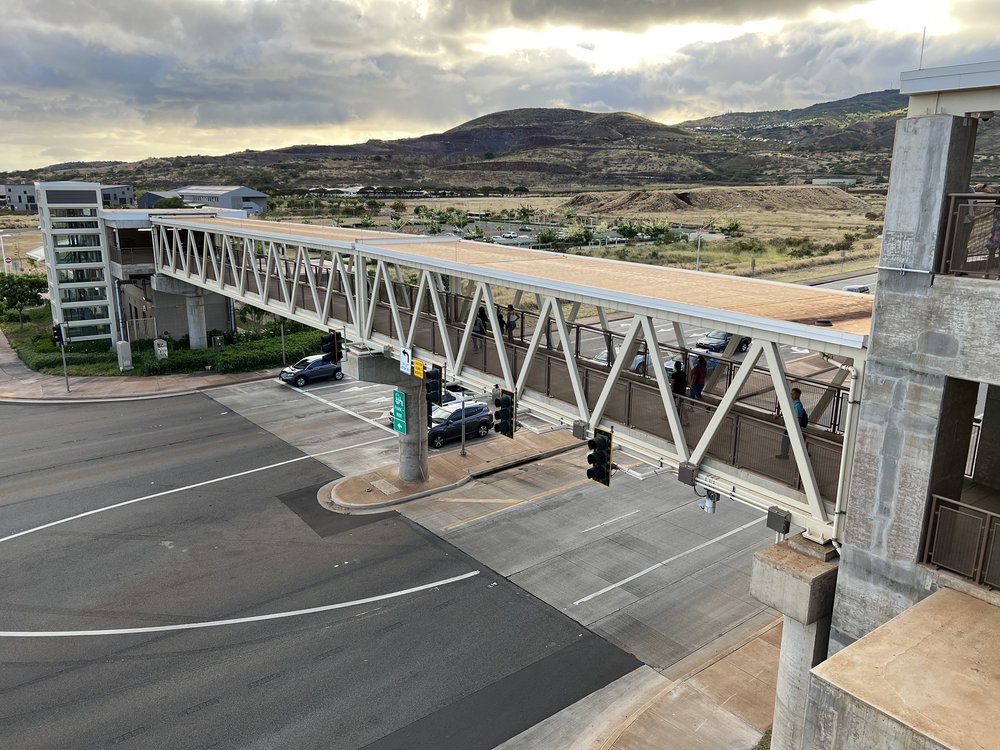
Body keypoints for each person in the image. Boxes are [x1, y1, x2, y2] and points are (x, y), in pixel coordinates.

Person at [776, 387, 808, 459]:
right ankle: (805, 452)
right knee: (794, 440)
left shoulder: (798, 405)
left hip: (792, 427)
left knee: (786, 439)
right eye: (791, 394)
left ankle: (785, 454)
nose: (791, 395)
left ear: (798, 395)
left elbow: (798, 417)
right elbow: (787, 410)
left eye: (793, 394)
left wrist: (797, 428)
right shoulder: (793, 403)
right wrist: (778, 416)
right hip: (791, 426)